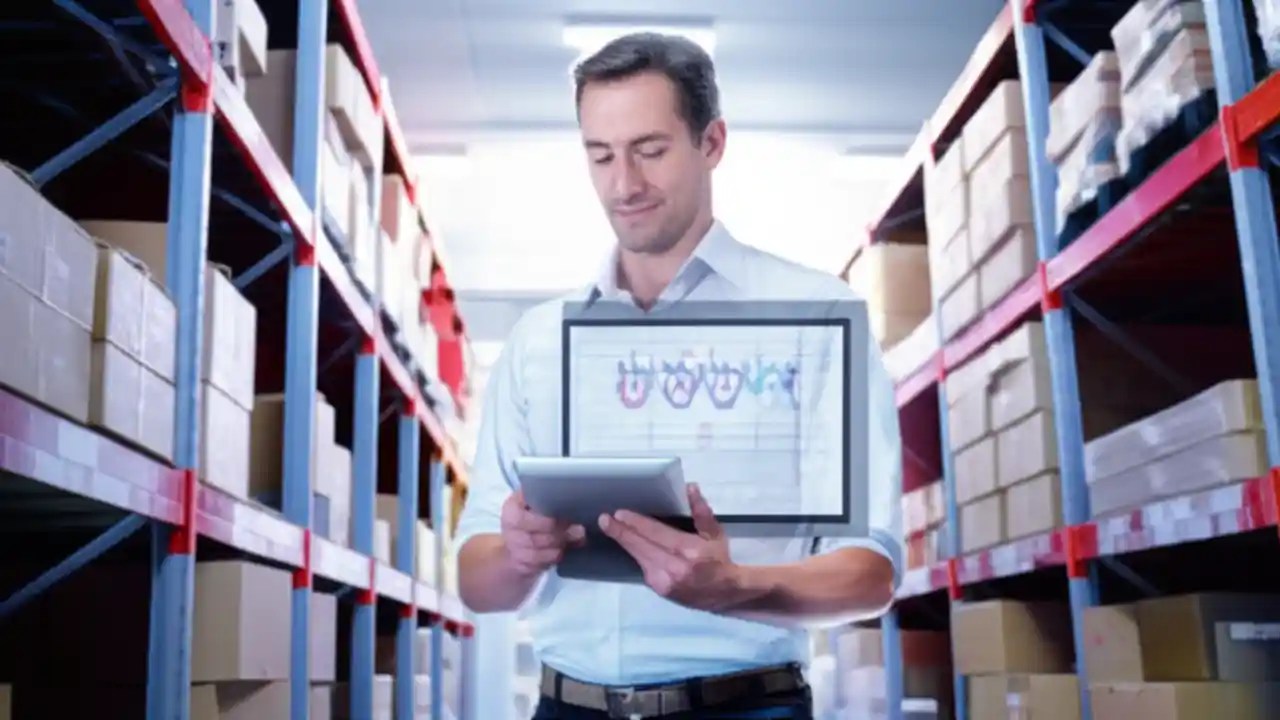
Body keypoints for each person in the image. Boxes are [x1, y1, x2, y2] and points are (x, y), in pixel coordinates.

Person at [455, 31, 903, 719]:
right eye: (600, 156)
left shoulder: (817, 316)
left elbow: (871, 572)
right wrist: (519, 554)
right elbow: (475, 582)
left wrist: (738, 585)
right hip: (566, 706)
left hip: (745, 707)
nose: (623, 184)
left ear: (712, 142)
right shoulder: (537, 342)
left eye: (650, 151)